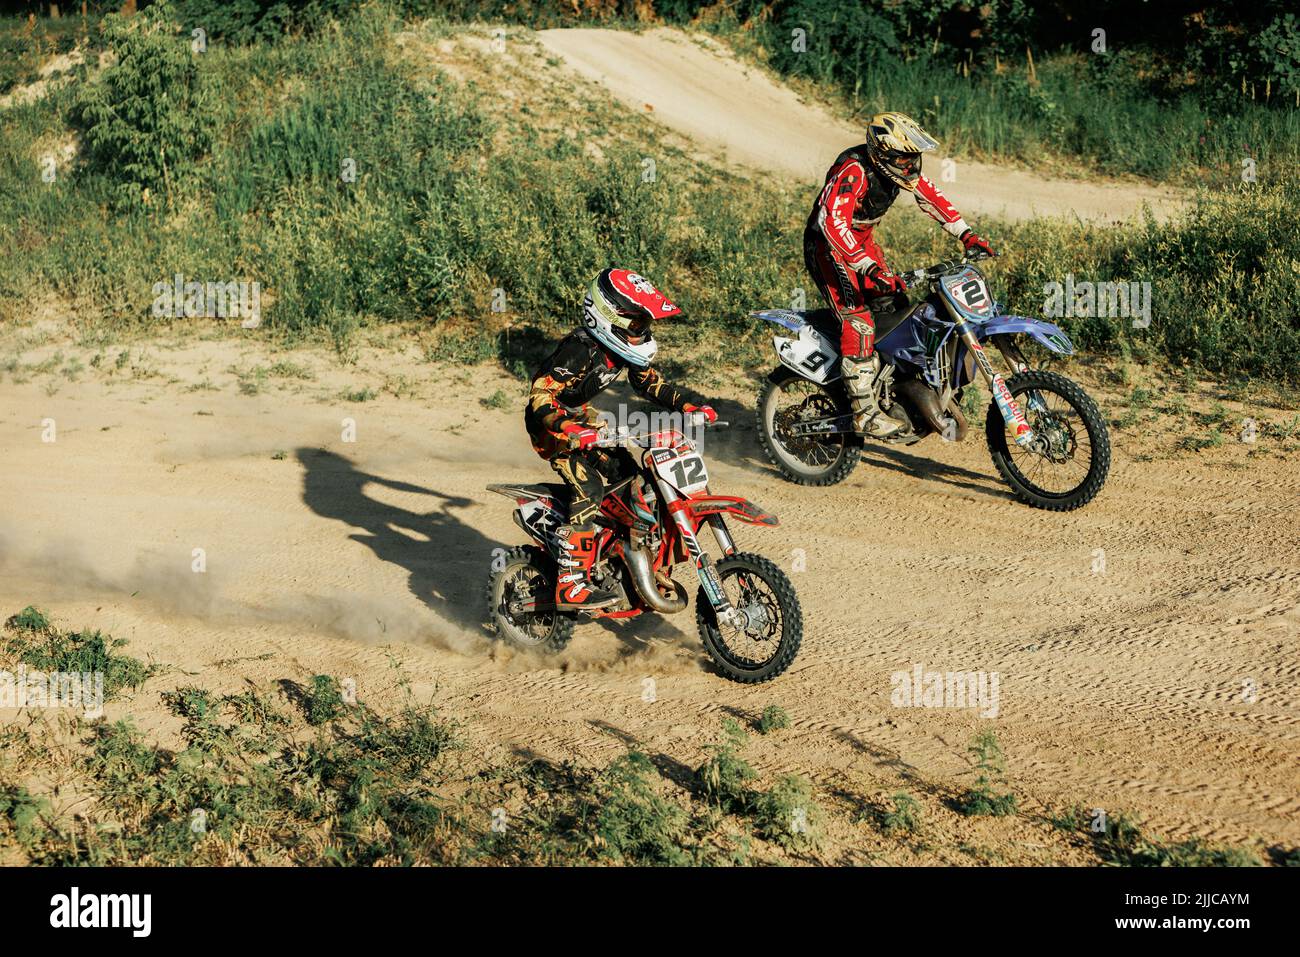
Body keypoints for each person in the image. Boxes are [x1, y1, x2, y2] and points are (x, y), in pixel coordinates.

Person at [526, 268, 717, 609]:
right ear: (608, 319)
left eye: (645, 325)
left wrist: (688, 405)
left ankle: (627, 556)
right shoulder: (578, 350)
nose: (642, 332)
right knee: (591, 489)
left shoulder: (622, 351)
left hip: (583, 418)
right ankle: (571, 581)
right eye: (637, 325)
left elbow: (648, 382)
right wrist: (567, 428)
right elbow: (540, 395)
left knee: (633, 479)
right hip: (552, 428)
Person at [804, 111, 996, 436]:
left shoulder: (899, 172)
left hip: (862, 243)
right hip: (829, 249)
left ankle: (895, 387)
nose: (910, 165)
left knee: (897, 310)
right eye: (903, 158)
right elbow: (831, 223)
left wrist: (966, 233)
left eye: (913, 158)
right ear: (881, 153)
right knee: (860, 321)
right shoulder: (853, 170)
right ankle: (864, 412)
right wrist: (867, 267)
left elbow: (930, 195)